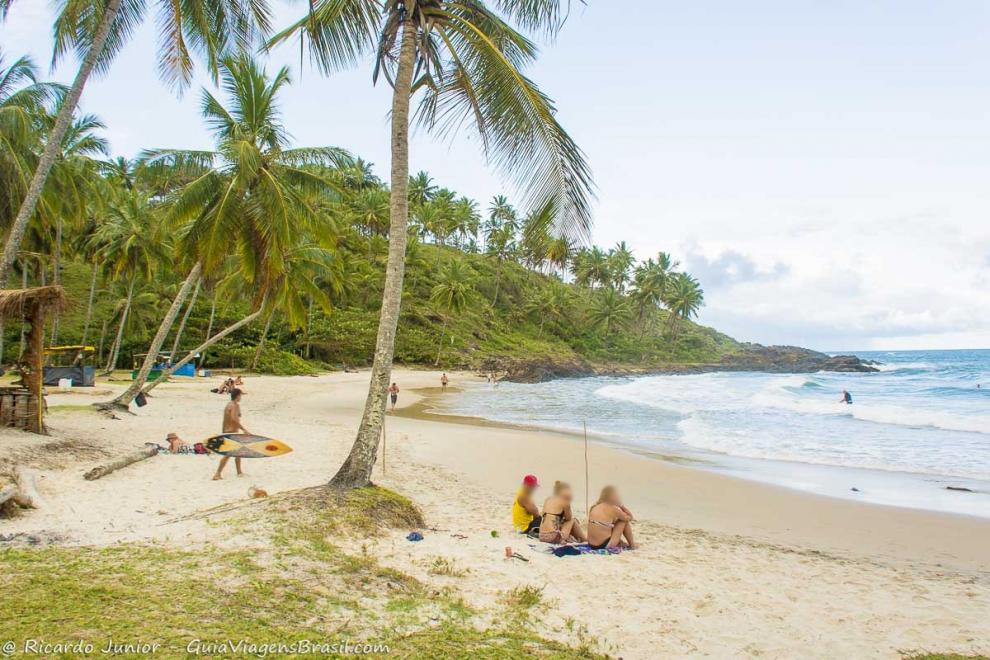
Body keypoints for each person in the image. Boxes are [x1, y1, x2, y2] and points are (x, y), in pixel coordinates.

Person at [213, 388, 251, 480]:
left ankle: (239, 472)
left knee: (238, 452)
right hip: (231, 432)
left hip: (227, 431)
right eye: (240, 395)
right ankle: (217, 474)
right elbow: (234, 419)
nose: (241, 397)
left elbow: (235, 417)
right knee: (228, 454)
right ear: (237, 396)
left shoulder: (229, 405)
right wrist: (244, 430)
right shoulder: (234, 405)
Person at [587, 485, 636, 550]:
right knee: (623, 521)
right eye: (616, 496)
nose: (618, 498)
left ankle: (621, 542)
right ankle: (632, 545)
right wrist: (621, 506)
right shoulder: (612, 509)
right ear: (611, 497)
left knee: (613, 523)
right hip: (604, 545)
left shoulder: (595, 507)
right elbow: (630, 517)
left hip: (591, 544)